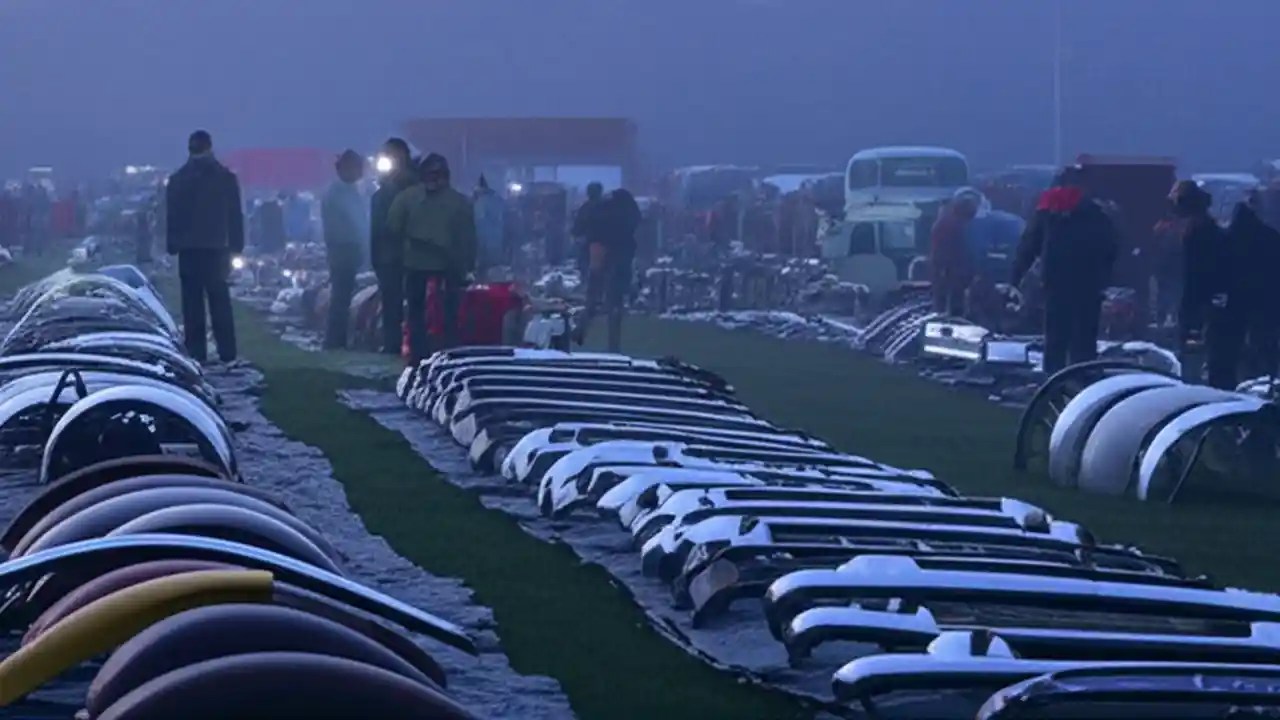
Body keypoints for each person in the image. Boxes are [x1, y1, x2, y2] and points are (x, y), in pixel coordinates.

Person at [1012, 165, 1118, 375]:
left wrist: (1016, 276)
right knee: (1085, 338)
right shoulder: (1098, 212)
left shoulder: (1048, 210)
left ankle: (1052, 380)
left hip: (1056, 282)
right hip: (1089, 283)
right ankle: (1084, 380)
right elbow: (1111, 247)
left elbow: (1029, 244)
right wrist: (1105, 278)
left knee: (1055, 336)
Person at [386, 153, 476, 362]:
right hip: (447, 265)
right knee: (448, 312)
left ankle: (419, 354)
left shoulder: (407, 198)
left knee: (417, 312)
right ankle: (448, 352)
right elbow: (468, 237)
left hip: (417, 263)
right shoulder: (458, 201)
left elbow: (392, 227)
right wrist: (469, 263)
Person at [165, 129, 242, 364]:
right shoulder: (226, 178)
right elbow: (234, 215)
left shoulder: (178, 180)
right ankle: (227, 352)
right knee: (220, 300)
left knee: (192, 304)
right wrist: (237, 246)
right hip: (217, 248)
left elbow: (172, 216)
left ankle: (196, 352)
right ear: (210, 147)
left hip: (188, 250)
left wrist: (173, 244)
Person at [575, 188, 641, 352]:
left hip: (598, 250)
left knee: (593, 293)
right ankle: (613, 345)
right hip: (622, 254)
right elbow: (637, 224)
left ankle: (581, 327)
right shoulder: (627, 206)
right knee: (615, 299)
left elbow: (579, 229)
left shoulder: (595, 208)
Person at [369, 138, 417, 354]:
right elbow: (377, 229)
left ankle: (413, 346)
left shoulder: (417, 190)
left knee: (415, 304)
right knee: (391, 304)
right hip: (390, 257)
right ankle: (392, 345)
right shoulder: (381, 194)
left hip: (413, 256)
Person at [1228, 191, 1280, 379]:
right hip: (1268, 304)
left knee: (1239, 350)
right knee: (1267, 347)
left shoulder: (1230, 239)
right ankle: (1270, 381)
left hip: (1237, 303)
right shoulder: (1271, 236)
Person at [320, 150, 368, 350]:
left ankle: (336, 340)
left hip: (343, 251)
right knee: (341, 298)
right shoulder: (340, 193)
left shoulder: (343, 191)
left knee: (342, 297)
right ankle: (334, 341)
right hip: (344, 251)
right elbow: (352, 224)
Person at [930, 189, 981, 315]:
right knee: (952, 299)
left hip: (953, 270)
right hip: (951, 270)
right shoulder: (950, 224)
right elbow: (944, 250)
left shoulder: (953, 222)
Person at [473, 175, 506, 279]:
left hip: (484, 241)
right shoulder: (497, 200)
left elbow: (479, 221)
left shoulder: (481, 202)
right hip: (497, 240)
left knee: (484, 269)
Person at [571, 182, 606, 275]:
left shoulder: (585, 208)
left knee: (586, 270)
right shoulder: (607, 206)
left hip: (589, 244)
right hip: (605, 244)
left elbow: (577, 227)